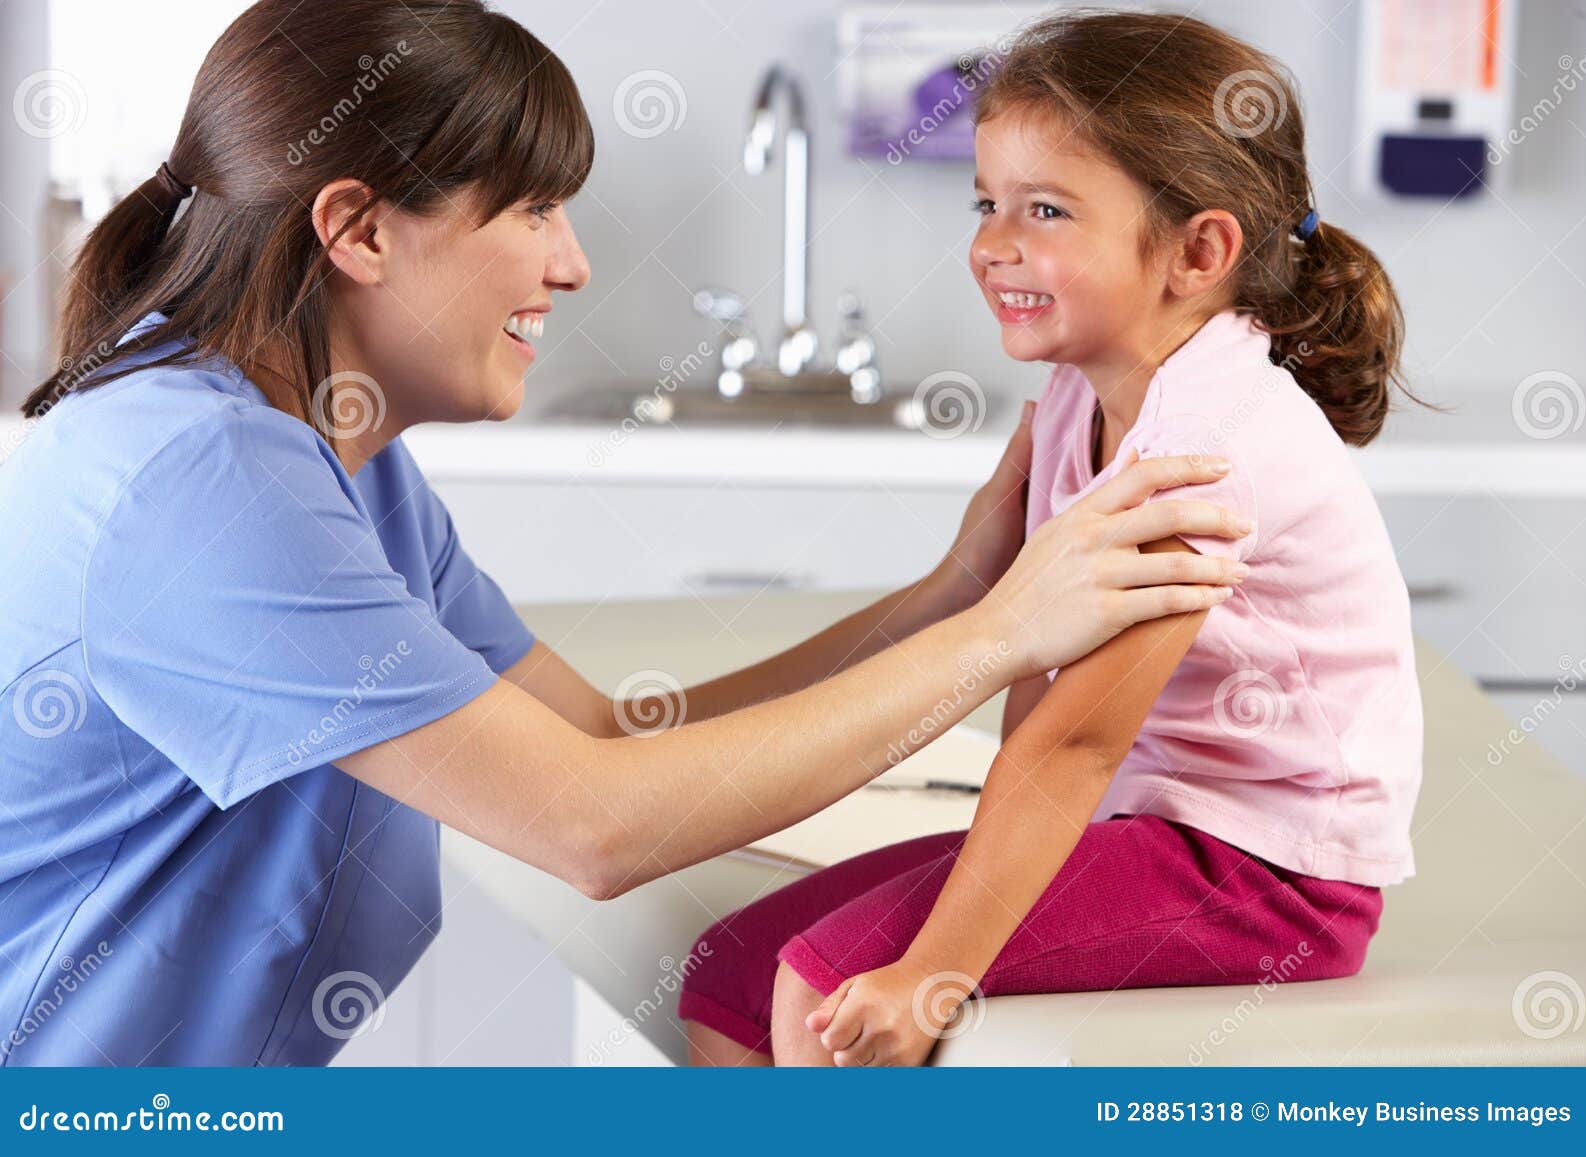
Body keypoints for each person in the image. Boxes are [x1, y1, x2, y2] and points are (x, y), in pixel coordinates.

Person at [0, 0, 1249, 1066]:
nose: (574, 261)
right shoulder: (206, 485)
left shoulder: (333, 454)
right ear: (360, 229)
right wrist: (996, 637)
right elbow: (594, 822)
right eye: (533, 209)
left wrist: (954, 590)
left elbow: (602, 734)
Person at [679, 10, 1426, 1067]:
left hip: (1271, 877)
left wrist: (934, 964)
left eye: (1045, 209)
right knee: (728, 966)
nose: (992, 243)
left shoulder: (1209, 450)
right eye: (987, 201)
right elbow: (1031, 662)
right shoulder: (1080, 392)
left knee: (822, 992)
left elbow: (1076, 740)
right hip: (1145, 827)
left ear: (1197, 250)